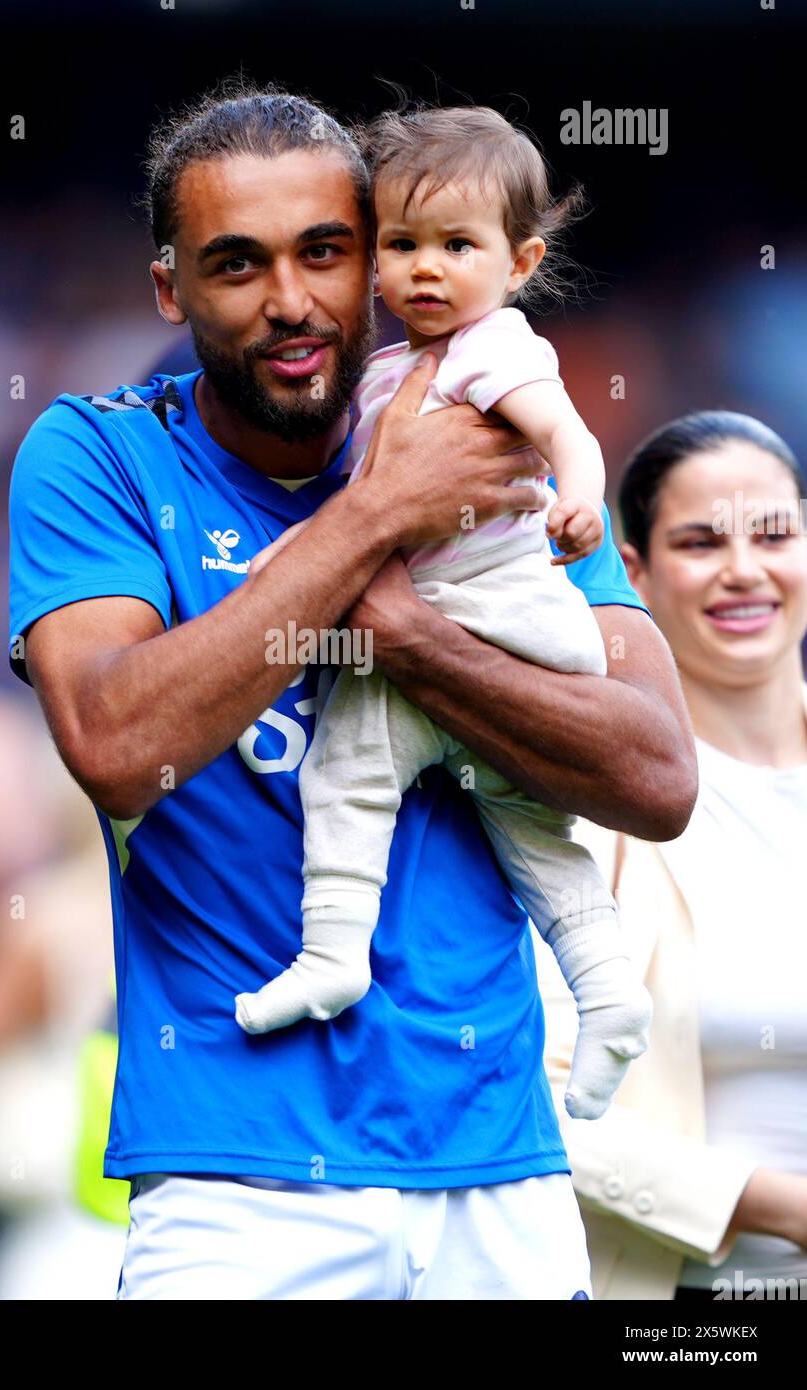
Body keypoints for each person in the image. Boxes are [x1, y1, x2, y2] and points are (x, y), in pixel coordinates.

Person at [8, 81, 696, 1301]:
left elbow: (653, 775)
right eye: (236, 264)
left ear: (377, 256)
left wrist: (406, 635)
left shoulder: (498, 434)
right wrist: (377, 516)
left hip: (500, 1165)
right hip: (234, 1180)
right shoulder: (97, 452)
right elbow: (116, 743)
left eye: (325, 251)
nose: (291, 300)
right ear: (170, 288)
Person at [233, 106, 653, 1123]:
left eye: (456, 245)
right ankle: (608, 994)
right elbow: (366, 509)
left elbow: (566, 429)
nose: (424, 269)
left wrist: (577, 494)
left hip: (485, 619)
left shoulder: (490, 348)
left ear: (519, 262)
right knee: (531, 833)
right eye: (400, 244)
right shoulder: (384, 371)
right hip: (478, 624)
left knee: (343, 765)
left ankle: (333, 951)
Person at [536, 411, 807, 1299]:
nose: (744, 570)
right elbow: (530, 1099)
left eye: (774, 534)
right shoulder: (588, 802)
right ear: (636, 570)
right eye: (700, 541)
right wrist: (781, 1209)